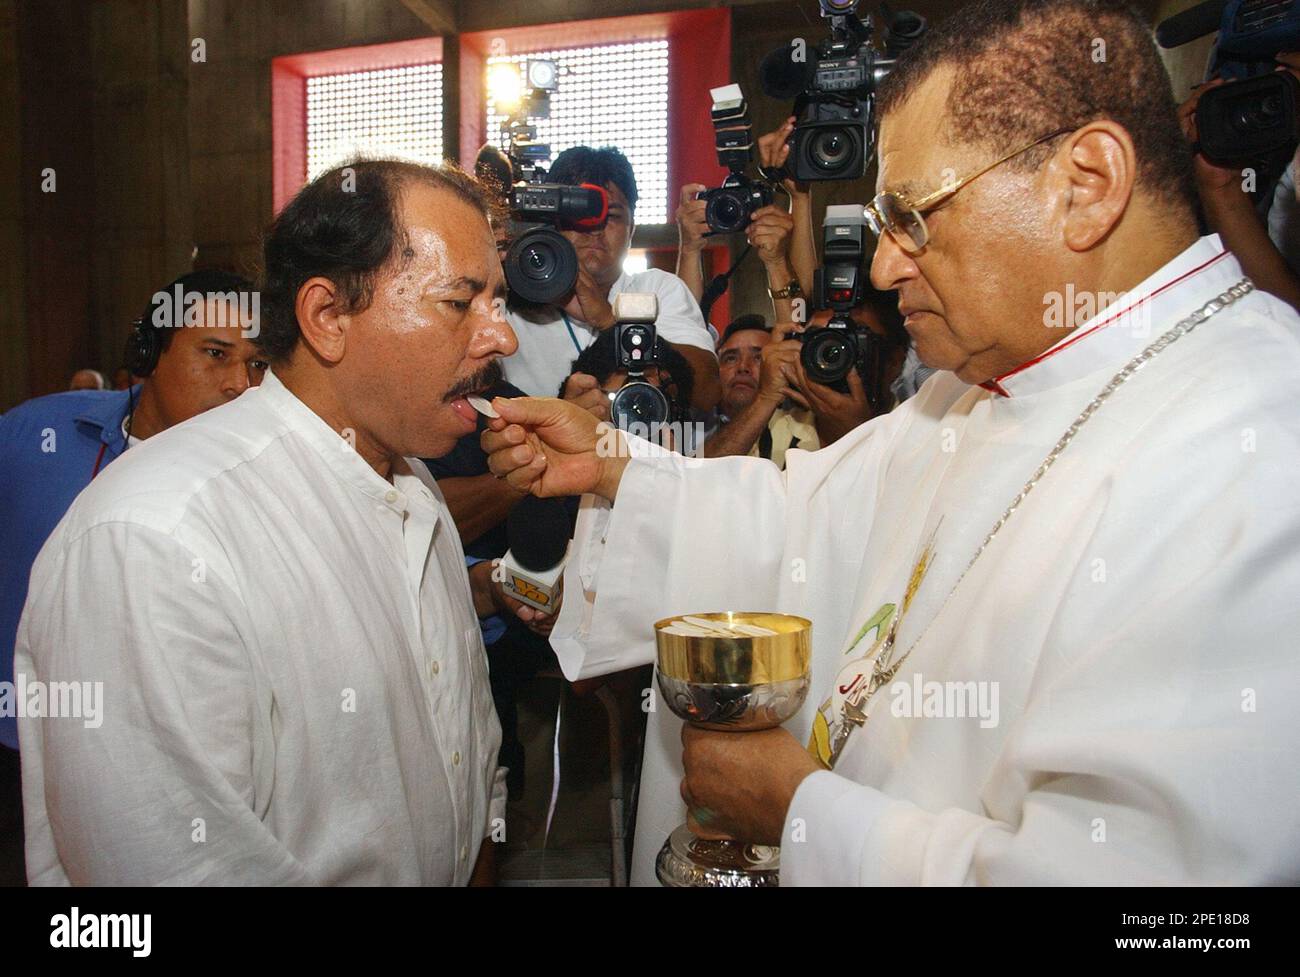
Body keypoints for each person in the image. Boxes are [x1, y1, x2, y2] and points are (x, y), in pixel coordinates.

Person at [484, 0, 1300, 885]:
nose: (881, 268)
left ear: (1088, 183)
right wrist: (607, 465)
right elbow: (798, 516)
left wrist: (807, 817)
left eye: (912, 215)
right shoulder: (977, 391)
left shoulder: (1256, 448)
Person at [16, 160, 514, 884]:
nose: (502, 339)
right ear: (327, 317)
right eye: (459, 302)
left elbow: (465, 757)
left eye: (497, 302)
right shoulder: (151, 537)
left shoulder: (415, 485)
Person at [1, 270, 265, 755]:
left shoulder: (265, 478)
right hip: (16, 740)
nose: (239, 385)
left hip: (157, 760)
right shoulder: (35, 432)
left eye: (256, 364)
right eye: (215, 354)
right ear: (147, 356)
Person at [501, 145, 721, 410]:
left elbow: (707, 392)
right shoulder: (509, 297)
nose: (594, 228)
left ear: (631, 230)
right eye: (578, 213)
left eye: (612, 216)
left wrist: (611, 322)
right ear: (551, 221)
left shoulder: (658, 289)